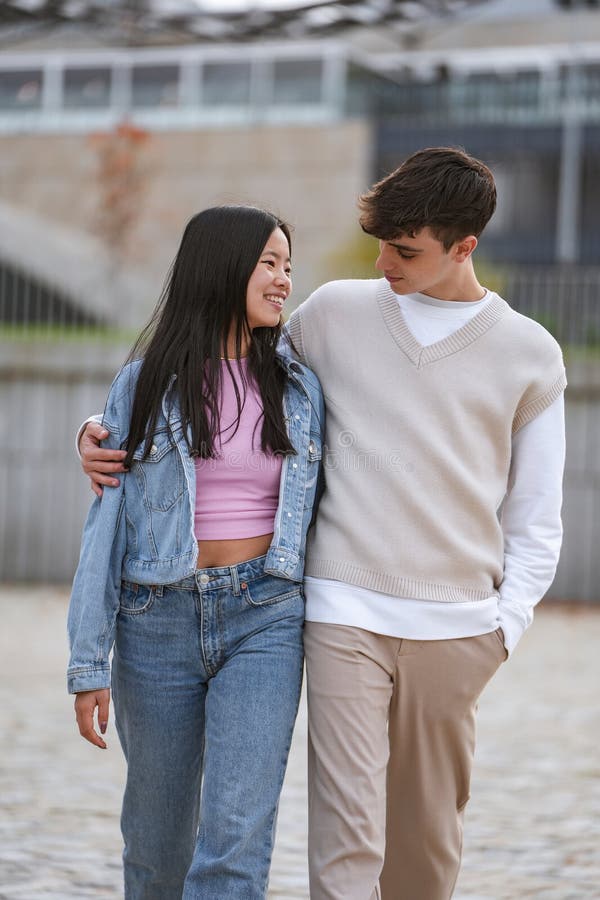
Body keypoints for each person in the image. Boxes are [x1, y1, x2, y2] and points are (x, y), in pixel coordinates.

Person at [80, 148, 566, 900]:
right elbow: (213, 368)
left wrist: (505, 626)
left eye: (405, 251)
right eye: (380, 245)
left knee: (395, 844)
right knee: (280, 843)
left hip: (390, 622)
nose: (383, 263)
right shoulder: (334, 314)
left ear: (463, 247)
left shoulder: (527, 353)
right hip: (311, 612)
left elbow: (537, 515)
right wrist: (99, 431)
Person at [67, 205, 324, 900]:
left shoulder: (300, 386)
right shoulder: (144, 385)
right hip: (156, 620)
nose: (283, 279)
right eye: (269, 263)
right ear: (222, 268)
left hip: (265, 615)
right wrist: (88, 660)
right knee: (156, 845)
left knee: (235, 839)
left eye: (288, 266)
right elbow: (107, 527)